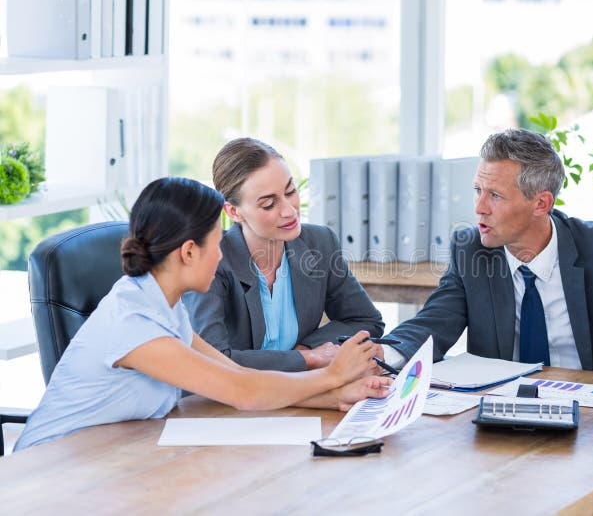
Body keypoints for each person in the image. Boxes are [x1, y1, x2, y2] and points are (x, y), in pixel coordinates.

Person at [15, 177, 389, 451]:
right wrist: (332, 375)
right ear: (189, 251)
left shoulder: (164, 306)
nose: (223, 255)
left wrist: (336, 396)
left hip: (109, 456)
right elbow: (244, 392)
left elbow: (237, 376)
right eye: (216, 243)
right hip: (48, 471)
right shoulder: (134, 324)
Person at [382, 128, 593, 370]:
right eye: (477, 191)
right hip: (502, 418)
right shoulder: (471, 249)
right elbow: (433, 324)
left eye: (495, 196)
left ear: (541, 203)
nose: (479, 208)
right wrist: (378, 353)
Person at [183, 138, 384, 372]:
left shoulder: (320, 243)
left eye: (290, 191)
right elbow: (211, 360)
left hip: (300, 394)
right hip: (225, 403)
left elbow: (365, 320)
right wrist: (306, 360)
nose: (289, 211)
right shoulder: (212, 262)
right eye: (269, 204)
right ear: (233, 211)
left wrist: (307, 348)